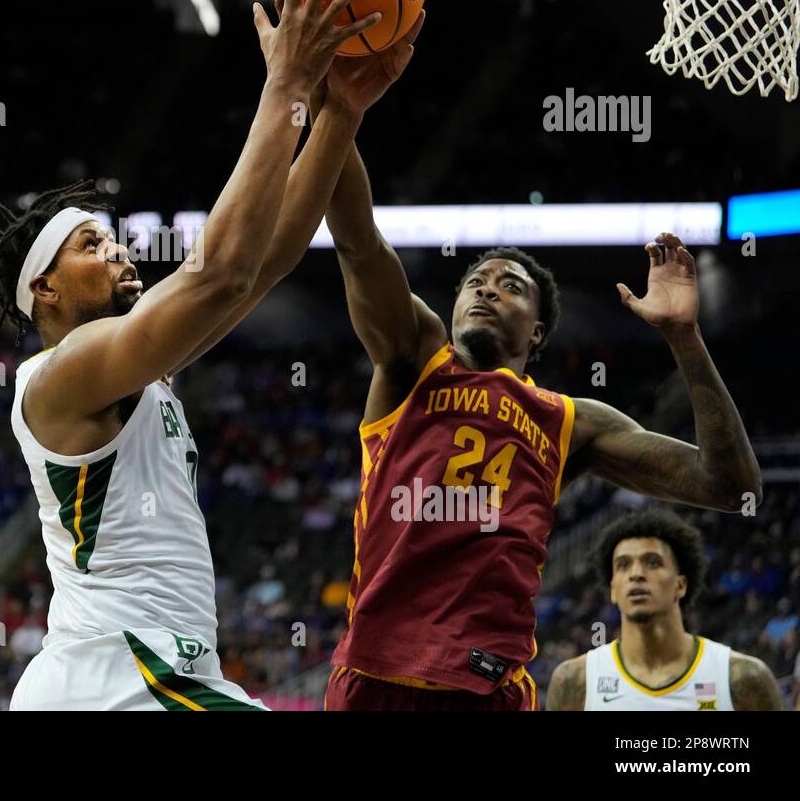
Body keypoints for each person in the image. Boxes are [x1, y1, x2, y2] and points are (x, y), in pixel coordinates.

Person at [0, 0, 421, 709]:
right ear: (44, 289)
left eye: (115, 238)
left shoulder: (136, 371)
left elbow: (267, 261)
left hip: (151, 675)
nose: (119, 251)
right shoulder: (59, 375)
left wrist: (340, 112)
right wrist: (287, 87)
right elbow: (221, 273)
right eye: (91, 246)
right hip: (118, 676)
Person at [322, 123, 760, 709]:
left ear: (538, 329)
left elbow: (730, 486)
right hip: (377, 674)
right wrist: (335, 108)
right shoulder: (413, 360)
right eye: (475, 282)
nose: (486, 290)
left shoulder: (571, 421)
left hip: (488, 686)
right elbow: (357, 239)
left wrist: (684, 338)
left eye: (510, 286)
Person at [546, 508, 782, 710]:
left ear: (680, 585)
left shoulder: (743, 677)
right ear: (613, 590)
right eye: (623, 565)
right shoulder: (575, 681)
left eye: (653, 562)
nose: (636, 574)